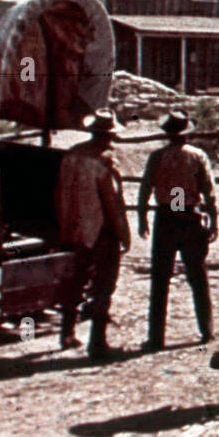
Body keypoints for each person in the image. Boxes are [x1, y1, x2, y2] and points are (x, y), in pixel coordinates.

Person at [54, 109, 131, 360]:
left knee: (75, 279)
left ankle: (67, 332)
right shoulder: (105, 160)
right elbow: (113, 200)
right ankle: (97, 342)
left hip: (74, 227)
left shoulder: (73, 154)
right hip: (101, 230)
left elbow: (61, 192)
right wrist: (123, 232)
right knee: (103, 284)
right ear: (109, 136)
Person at [138, 110, 218, 351]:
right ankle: (206, 330)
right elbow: (209, 191)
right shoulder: (197, 156)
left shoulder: (157, 157)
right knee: (198, 277)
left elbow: (145, 188)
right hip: (189, 219)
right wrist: (214, 220)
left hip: (165, 219)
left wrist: (142, 217)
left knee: (160, 279)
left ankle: (156, 337)